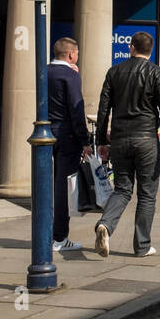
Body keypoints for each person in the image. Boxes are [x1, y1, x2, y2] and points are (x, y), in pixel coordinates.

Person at [93, 31, 160, 259]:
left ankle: (105, 224)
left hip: (120, 140)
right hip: (147, 141)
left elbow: (104, 110)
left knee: (122, 189)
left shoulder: (114, 72)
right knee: (147, 195)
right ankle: (141, 246)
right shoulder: (157, 74)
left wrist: (100, 141)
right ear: (150, 51)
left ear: (131, 47)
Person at [48, 37, 92, 253]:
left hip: (46, 133)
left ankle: (44, 234)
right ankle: (59, 238)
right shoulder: (71, 75)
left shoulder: (44, 71)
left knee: (45, 187)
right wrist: (84, 140)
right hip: (67, 136)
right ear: (71, 55)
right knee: (63, 187)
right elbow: (76, 109)